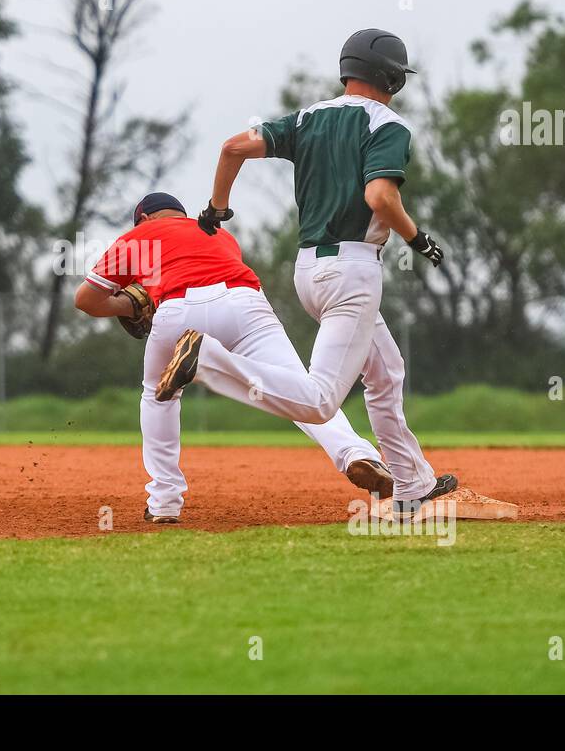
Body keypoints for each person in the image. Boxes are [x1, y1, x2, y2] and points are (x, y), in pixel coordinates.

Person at [156, 29, 456, 508]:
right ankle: (207, 361)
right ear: (392, 76)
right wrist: (417, 238)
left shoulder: (309, 117)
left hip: (308, 273)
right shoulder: (387, 125)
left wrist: (216, 208)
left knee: (385, 373)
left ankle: (412, 487)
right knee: (320, 402)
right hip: (353, 273)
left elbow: (232, 148)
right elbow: (379, 196)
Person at [74, 190, 410, 525]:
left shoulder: (138, 236)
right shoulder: (218, 233)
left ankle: (164, 501)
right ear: (181, 214)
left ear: (144, 219)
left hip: (178, 311)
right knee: (301, 386)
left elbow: (86, 300)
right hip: (245, 304)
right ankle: (358, 453)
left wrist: (129, 303)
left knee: (157, 395)